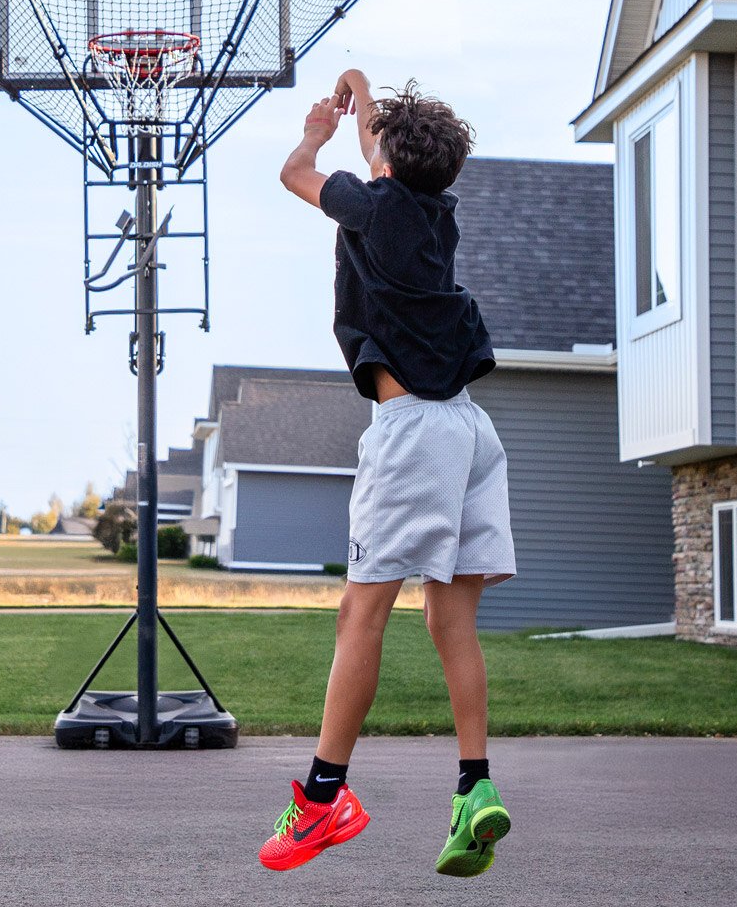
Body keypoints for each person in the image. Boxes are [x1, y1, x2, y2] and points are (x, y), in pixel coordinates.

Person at [258, 70, 516, 878]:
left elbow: (294, 175)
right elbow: (386, 155)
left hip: (410, 437)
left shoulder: (375, 204)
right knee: (452, 624)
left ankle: (324, 799)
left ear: (388, 164)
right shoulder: (436, 213)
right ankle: (475, 788)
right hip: (472, 432)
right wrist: (362, 88)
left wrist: (314, 132)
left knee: (360, 615)